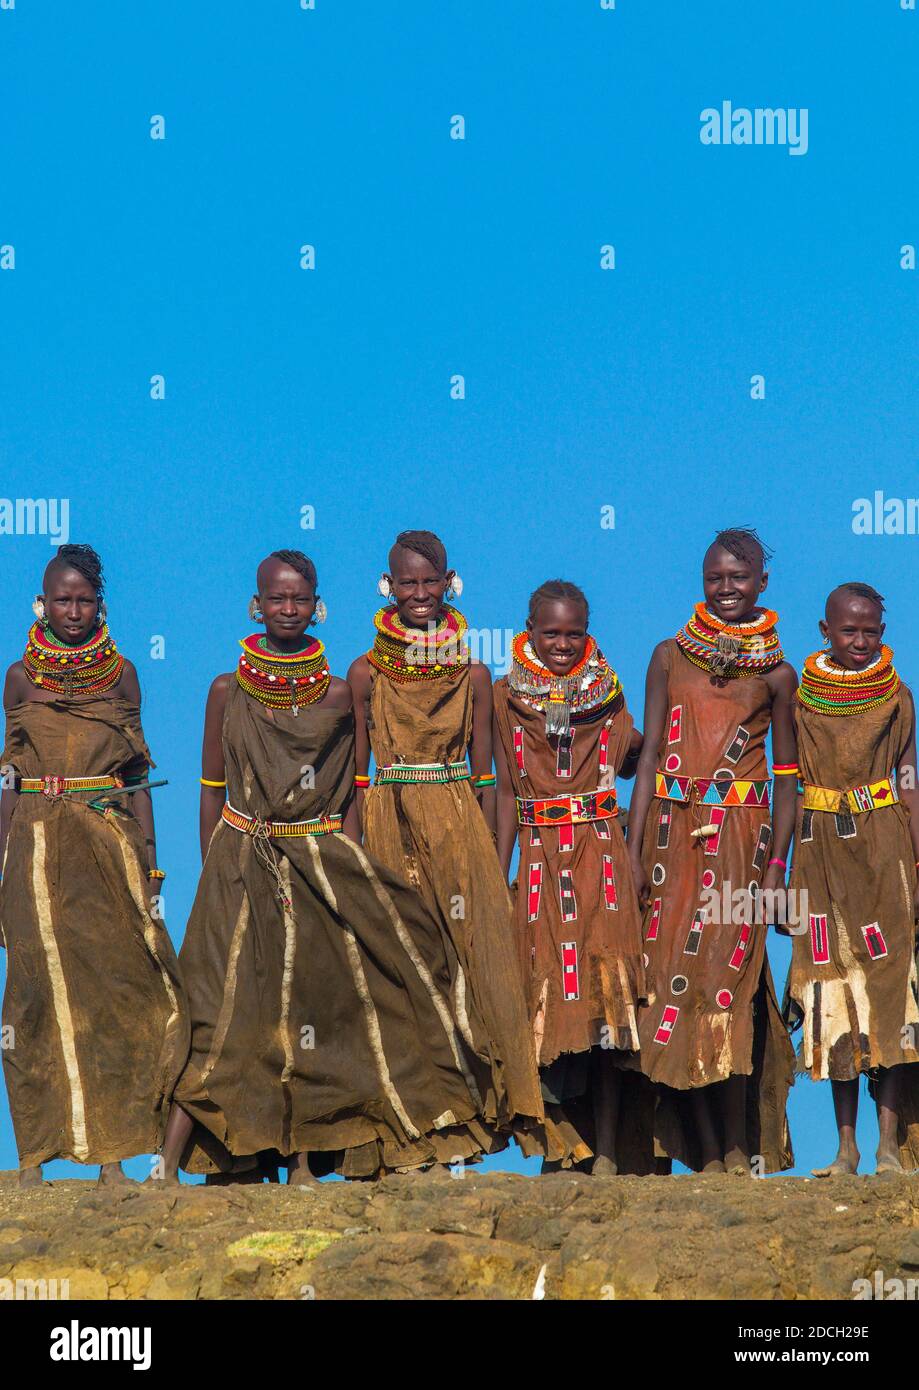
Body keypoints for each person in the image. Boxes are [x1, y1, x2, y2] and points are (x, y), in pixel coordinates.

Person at [158, 550, 494, 1184]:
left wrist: (344, 863)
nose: (288, 609)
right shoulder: (225, 690)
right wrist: (214, 869)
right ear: (256, 605)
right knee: (219, 1010)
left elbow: (348, 792)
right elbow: (210, 787)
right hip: (238, 860)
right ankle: (173, 1167)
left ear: (318, 606)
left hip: (313, 861)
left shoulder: (340, 694)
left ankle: (308, 1164)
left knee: (308, 1008)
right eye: (276, 599)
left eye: (300, 599)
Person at [348, 531, 584, 1164]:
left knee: (473, 968)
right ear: (387, 586)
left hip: (459, 828)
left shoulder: (475, 674)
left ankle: (478, 1123)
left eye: (430, 583)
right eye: (407, 583)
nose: (419, 594)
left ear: (449, 583)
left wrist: (488, 859)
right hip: (387, 827)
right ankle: (411, 1133)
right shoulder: (365, 672)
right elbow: (353, 777)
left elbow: (490, 779)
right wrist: (352, 858)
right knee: (400, 973)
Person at [0, 544, 187, 1187]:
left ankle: (112, 1158)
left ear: (99, 604)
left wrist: (151, 864)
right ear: (42, 603)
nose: (73, 611)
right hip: (34, 846)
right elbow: (9, 777)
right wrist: (2, 863)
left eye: (84, 600)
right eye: (62, 599)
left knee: (119, 993)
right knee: (31, 997)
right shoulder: (19, 676)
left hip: (109, 849)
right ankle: (31, 1158)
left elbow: (137, 775)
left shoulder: (124, 675)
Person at [626, 528, 796, 1175]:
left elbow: (786, 780)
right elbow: (643, 770)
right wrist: (632, 854)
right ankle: (694, 1148)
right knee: (670, 984)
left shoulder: (779, 674)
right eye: (714, 580)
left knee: (728, 987)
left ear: (761, 584)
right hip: (669, 838)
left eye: (737, 578)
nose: (726, 590)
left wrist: (776, 869)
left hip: (740, 843)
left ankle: (733, 1147)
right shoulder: (668, 656)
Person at [493, 580, 652, 1175]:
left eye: (575, 633)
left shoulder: (608, 693)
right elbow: (507, 791)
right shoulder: (506, 695)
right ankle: (560, 1152)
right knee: (545, 1000)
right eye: (551, 632)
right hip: (537, 857)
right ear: (528, 629)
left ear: (589, 630)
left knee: (609, 1000)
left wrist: (635, 855)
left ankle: (609, 1150)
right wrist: (496, 870)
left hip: (601, 853)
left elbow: (638, 761)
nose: (563, 644)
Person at [786, 583, 919, 1175]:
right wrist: (773, 867)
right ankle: (846, 1148)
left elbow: (910, 782)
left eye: (872, 632)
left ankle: (889, 1147)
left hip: (885, 847)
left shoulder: (899, 699)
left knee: (892, 987)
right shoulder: (800, 700)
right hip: (817, 853)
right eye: (849, 631)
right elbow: (785, 783)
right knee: (830, 990)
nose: (860, 642)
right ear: (825, 629)